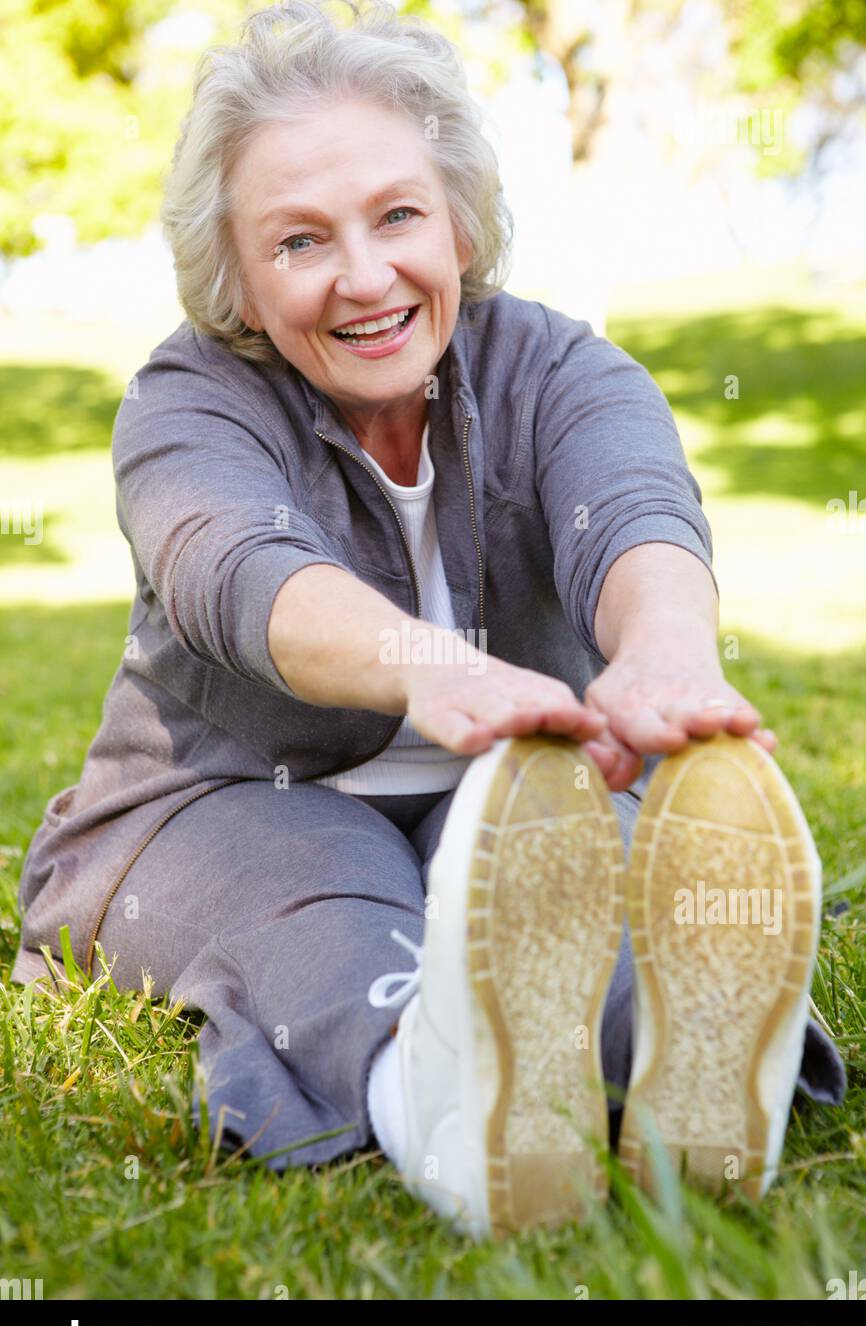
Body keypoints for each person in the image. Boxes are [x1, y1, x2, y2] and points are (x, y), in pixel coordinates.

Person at [12, 0, 845, 1240]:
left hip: (522, 786)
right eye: (299, 240)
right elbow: (233, 570)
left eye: (398, 214)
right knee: (335, 909)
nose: (364, 276)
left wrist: (665, 663)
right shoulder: (185, 400)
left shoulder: (560, 367)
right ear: (235, 274)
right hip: (237, 799)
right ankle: (433, 1109)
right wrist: (432, 670)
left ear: (459, 218)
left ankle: (677, 1065)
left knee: (586, 920)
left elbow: (631, 508)